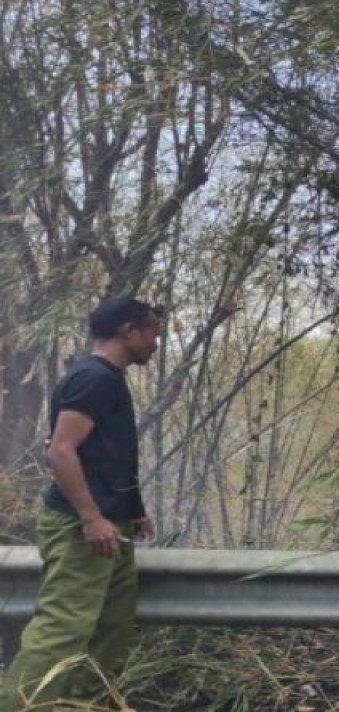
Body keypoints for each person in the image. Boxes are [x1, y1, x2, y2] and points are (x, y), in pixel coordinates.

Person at [0, 298, 165, 711]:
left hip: (112, 523)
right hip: (82, 526)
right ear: (129, 331)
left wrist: (133, 508)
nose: (155, 344)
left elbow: (108, 454)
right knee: (63, 629)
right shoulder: (93, 378)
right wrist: (91, 517)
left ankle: (82, 705)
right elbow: (61, 452)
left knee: (110, 626)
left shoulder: (106, 377)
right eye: (153, 335)